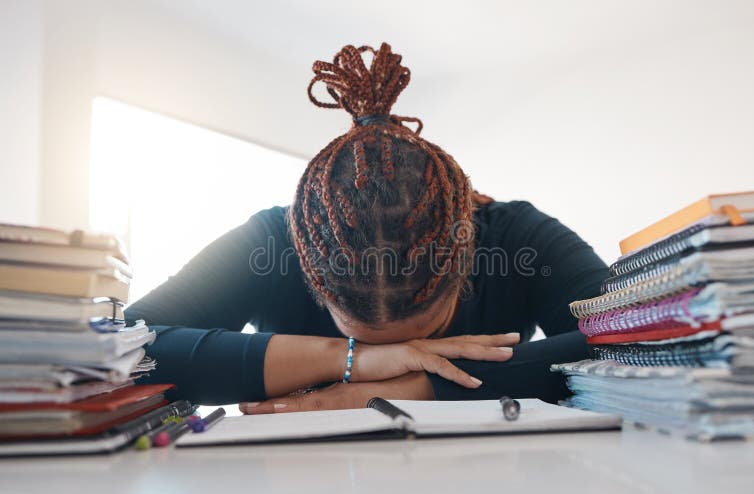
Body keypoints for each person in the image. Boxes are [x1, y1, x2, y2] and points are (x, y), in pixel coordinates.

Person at [125, 43, 608, 414]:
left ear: (469, 255)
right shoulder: (274, 239)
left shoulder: (518, 235)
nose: (401, 355)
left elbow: (652, 337)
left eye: (423, 338)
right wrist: (349, 360)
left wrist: (420, 385)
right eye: (374, 344)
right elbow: (118, 350)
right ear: (310, 272)